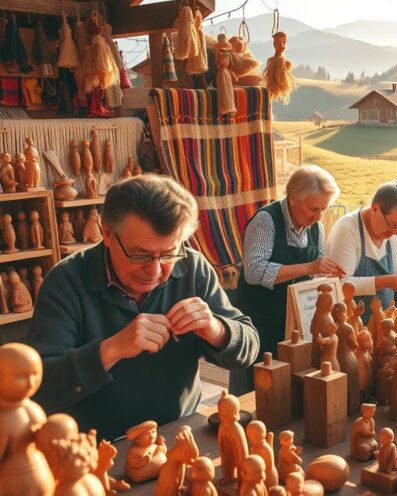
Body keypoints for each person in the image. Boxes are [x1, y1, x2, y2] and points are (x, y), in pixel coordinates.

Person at [28, 175, 260, 440]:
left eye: (168, 253)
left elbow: (249, 348)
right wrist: (112, 349)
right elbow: (39, 388)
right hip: (96, 449)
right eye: (140, 255)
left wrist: (218, 330)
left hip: (179, 435)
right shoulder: (65, 283)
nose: (155, 270)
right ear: (107, 234)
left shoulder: (192, 268)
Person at [231, 165, 344, 394]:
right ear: (292, 199)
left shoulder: (317, 228)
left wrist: (324, 273)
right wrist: (310, 266)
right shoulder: (266, 220)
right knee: (255, 387)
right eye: (313, 208)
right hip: (259, 319)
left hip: (291, 322)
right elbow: (253, 272)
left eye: (324, 209)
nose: (318, 216)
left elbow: (310, 274)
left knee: (284, 390)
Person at [326, 181, 397, 319]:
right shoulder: (347, 228)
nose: (395, 233)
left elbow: (393, 267)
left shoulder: (391, 231)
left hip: (383, 323)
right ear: (375, 209)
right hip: (349, 325)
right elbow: (341, 285)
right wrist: (386, 281)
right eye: (393, 225)